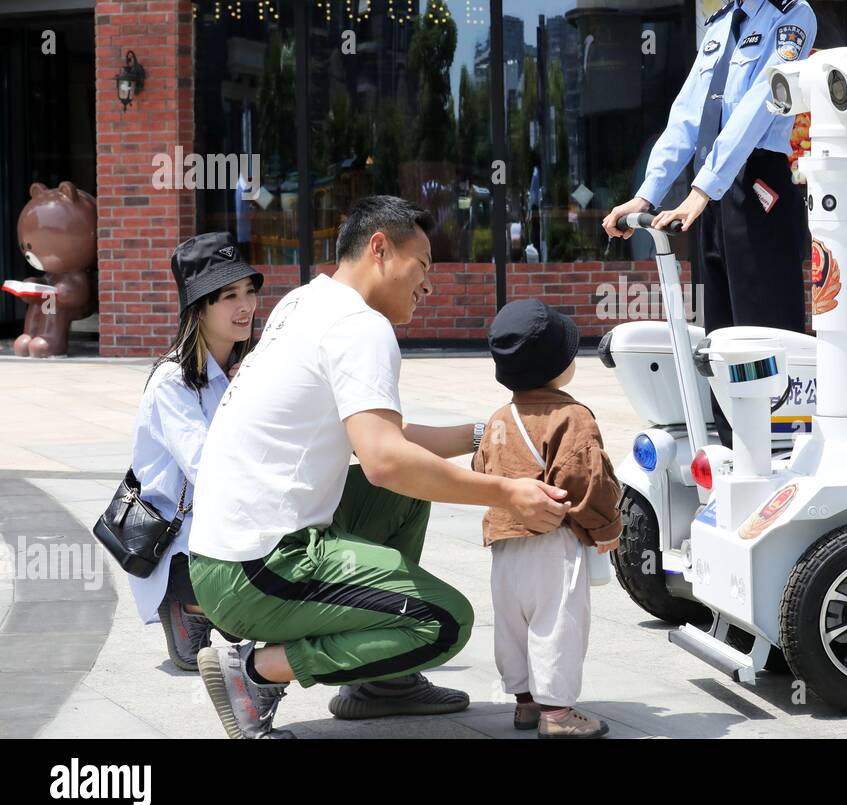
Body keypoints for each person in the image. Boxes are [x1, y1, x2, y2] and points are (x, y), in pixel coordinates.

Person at [188, 195, 572, 739]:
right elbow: (386, 461)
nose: (428, 285)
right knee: (443, 622)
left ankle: (383, 684)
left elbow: (381, 439)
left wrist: (480, 436)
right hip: (257, 569)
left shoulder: (305, 302)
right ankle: (253, 672)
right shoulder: (360, 326)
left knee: (407, 493)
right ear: (380, 249)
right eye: (423, 266)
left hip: (225, 553)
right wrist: (507, 494)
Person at [602, 0, 817, 447]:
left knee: (765, 325)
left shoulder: (792, 17)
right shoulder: (719, 24)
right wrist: (647, 196)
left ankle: (781, 449)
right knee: (721, 328)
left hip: (758, 182)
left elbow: (758, 110)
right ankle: (730, 450)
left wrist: (702, 188)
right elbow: (686, 116)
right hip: (713, 190)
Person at [474, 299, 623, 739]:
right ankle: (557, 715)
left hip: (503, 540)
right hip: (552, 539)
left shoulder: (499, 418)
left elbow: (481, 472)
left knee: (513, 624)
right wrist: (606, 529)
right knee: (557, 622)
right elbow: (588, 477)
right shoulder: (571, 416)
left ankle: (525, 704)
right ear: (559, 366)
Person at [127, 231, 262, 671]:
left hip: (226, 528)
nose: (245, 306)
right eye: (228, 296)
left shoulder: (244, 370)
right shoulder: (173, 382)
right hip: (182, 539)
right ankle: (187, 605)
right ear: (198, 307)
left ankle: (214, 604)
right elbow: (210, 471)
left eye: (249, 292)